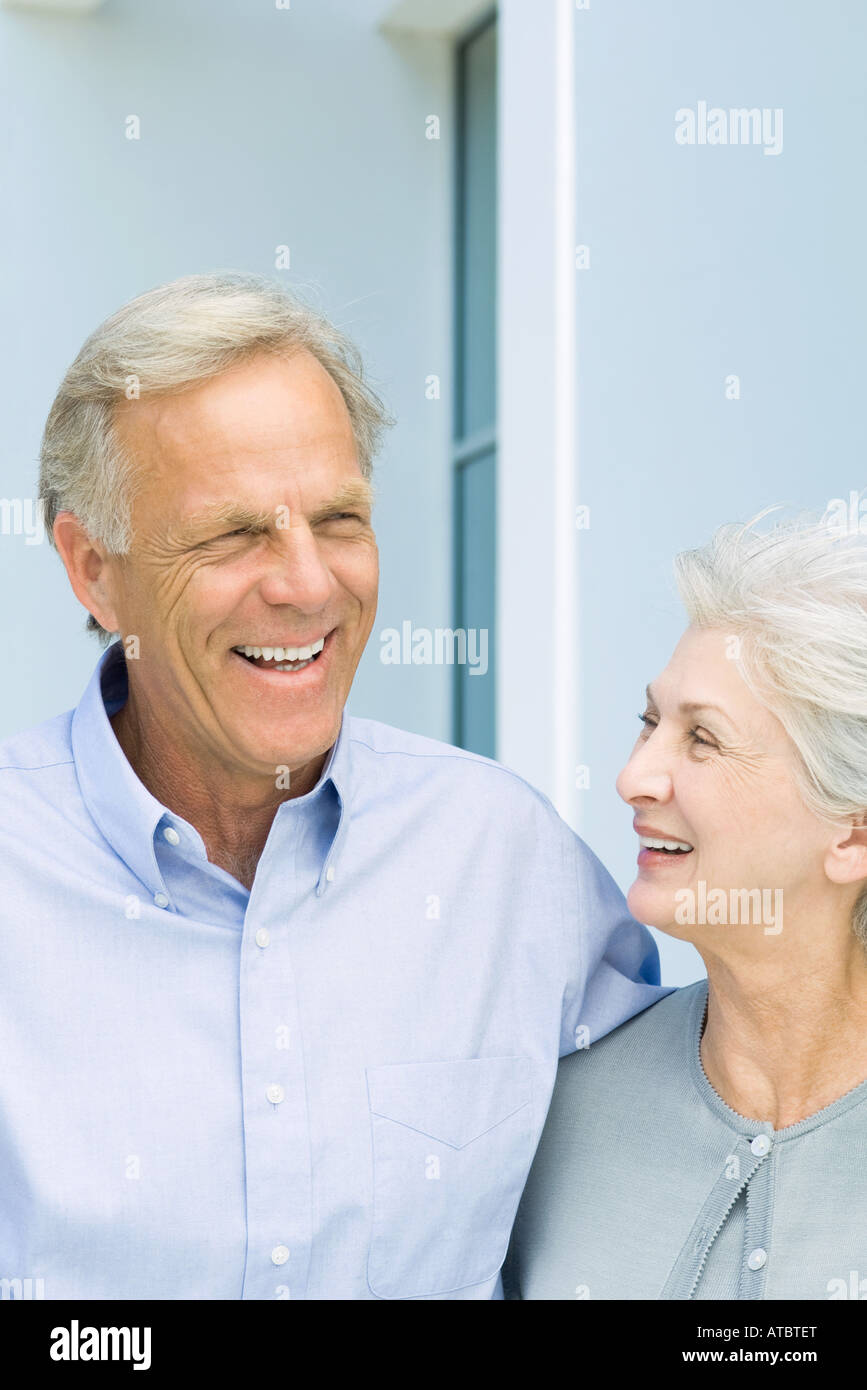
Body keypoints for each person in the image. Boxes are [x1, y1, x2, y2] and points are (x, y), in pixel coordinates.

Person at [0, 271, 666, 1301]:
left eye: (340, 518)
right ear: (94, 569)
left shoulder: (510, 865)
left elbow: (687, 1176)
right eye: (234, 534)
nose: (308, 584)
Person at [506, 514, 867, 1300]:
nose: (635, 777)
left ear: (852, 830)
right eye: (649, 723)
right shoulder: (553, 1109)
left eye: (701, 739)